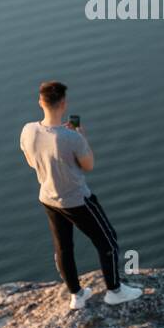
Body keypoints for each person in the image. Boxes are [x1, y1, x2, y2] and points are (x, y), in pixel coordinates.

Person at [20, 81, 141, 310]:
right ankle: (115, 291)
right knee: (108, 241)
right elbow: (88, 165)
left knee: (63, 247)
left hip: (47, 197)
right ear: (63, 104)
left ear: (40, 102)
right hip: (76, 200)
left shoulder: (28, 130)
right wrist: (81, 138)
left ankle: (76, 295)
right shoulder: (71, 138)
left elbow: (31, 162)